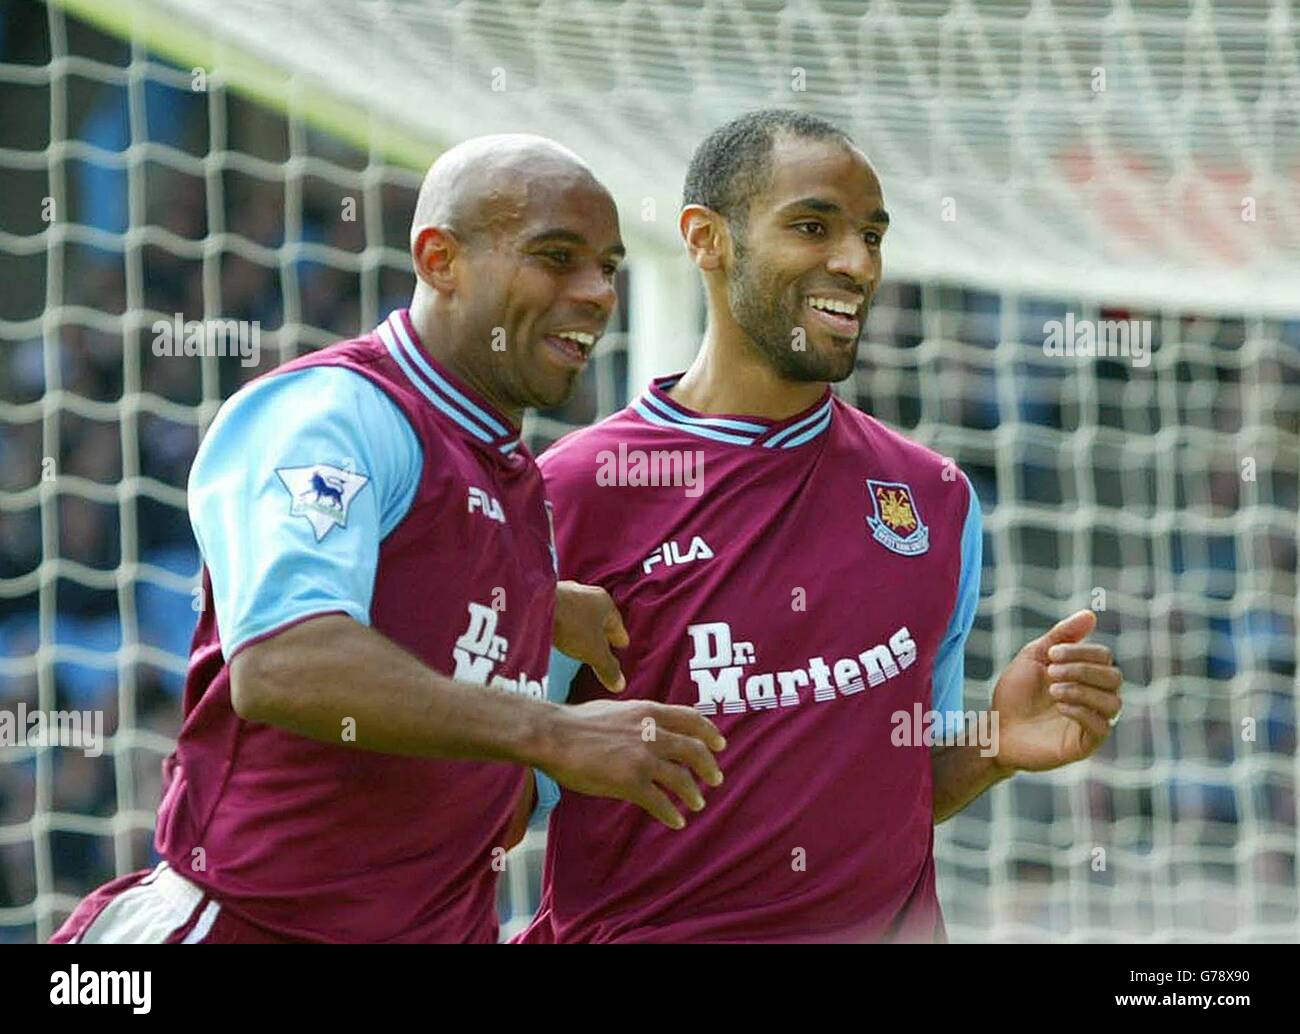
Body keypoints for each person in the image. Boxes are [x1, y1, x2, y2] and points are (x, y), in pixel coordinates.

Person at [51, 134, 724, 945]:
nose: (597, 293)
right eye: (557, 257)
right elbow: (284, 664)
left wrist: (540, 621)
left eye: (608, 267)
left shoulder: (514, 485)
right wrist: (556, 733)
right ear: (440, 259)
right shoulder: (336, 414)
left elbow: (482, 801)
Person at [518, 111, 1123, 943]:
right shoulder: (575, 493)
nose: (856, 262)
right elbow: (492, 806)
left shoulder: (931, 498)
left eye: (872, 236)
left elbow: (896, 793)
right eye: (813, 226)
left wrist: (993, 745)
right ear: (707, 238)